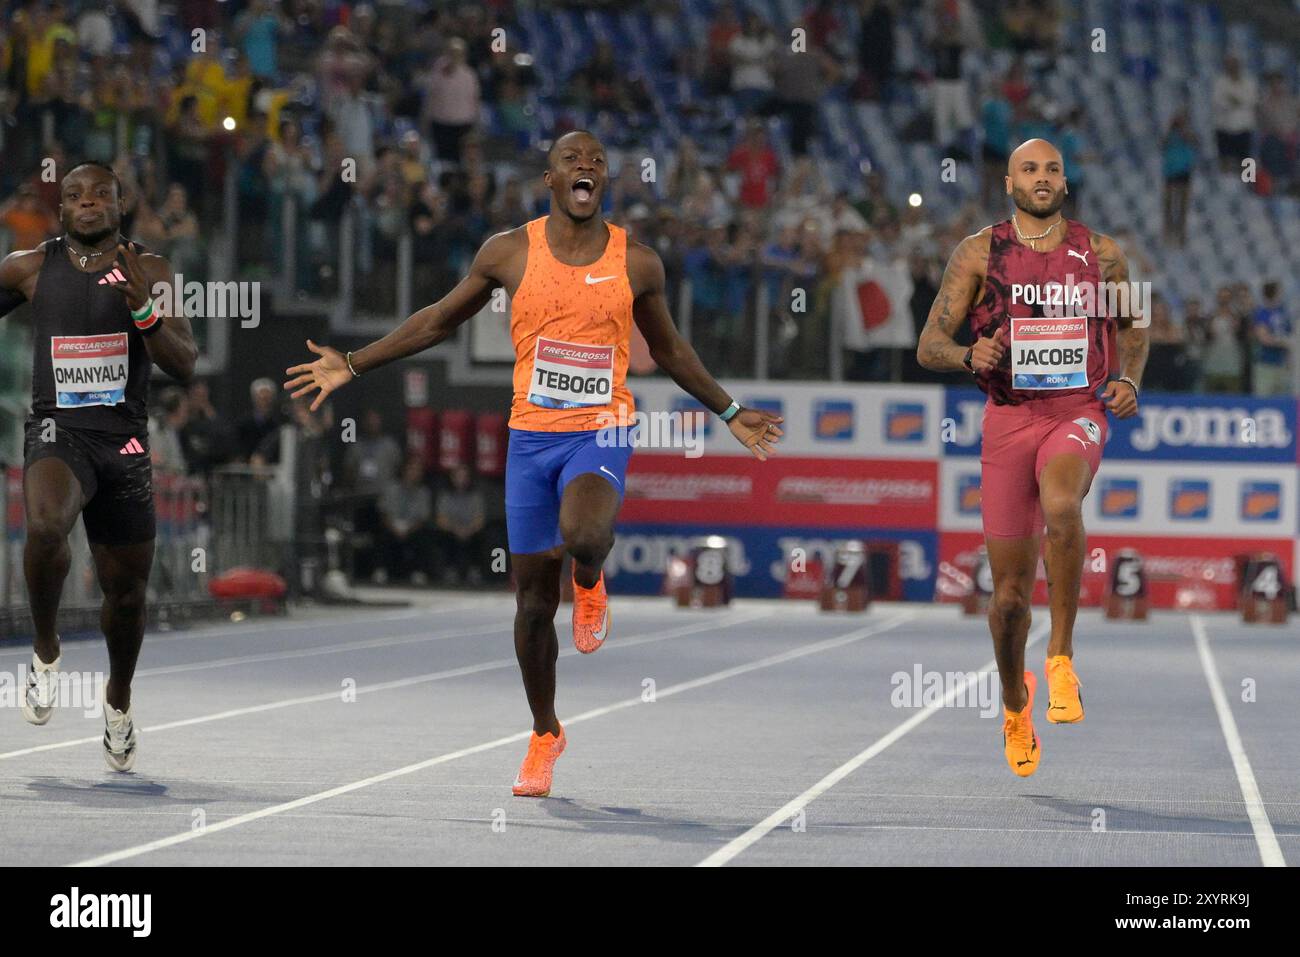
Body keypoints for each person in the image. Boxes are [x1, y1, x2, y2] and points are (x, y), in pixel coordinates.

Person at [285, 130, 783, 798]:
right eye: (572, 160)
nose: (587, 166)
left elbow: (668, 350)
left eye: (598, 161)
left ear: (606, 182)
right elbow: (437, 320)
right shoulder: (508, 251)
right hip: (530, 438)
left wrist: (728, 410)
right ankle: (546, 732)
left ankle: (590, 576)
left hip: (600, 428)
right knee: (528, 609)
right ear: (549, 178)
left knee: (584, 534)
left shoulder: (637, 262)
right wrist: (352, 362)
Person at [916, 139, 1148, 777]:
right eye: (1028, 169)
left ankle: (1062, 659)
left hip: (1076, 412)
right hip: (1008, 420)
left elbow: (1135, 325)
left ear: (1065, 183)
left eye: (1051, 169)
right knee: (1010, 600)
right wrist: (969, 355)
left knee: (1063, 503)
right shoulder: (977, 252)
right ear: (1009, 183)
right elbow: (929, 342)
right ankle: (1016, 703)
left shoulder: (1103, 253)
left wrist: (1129, 380)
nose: (1041, 178)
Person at [0, 161, 198, 770]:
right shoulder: (29, 267)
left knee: (127, 596)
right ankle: (44, 649)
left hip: (125, 445)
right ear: (60, 209)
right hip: (58, 432)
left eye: (101, 196)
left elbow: (184, 361)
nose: (88, 203)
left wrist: (144, 311)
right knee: (44, 529)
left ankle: (117, 700)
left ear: (120, 206)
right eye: (75, 195)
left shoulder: (153, 270)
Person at [433, 463, 486, 584]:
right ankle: (449, 570)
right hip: (452, 530)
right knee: (444, 536)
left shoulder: (475, 496)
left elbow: (480, 520)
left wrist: (468, 530)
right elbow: (441, 520)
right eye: (458, 476)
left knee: (480, 536)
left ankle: (475, 569)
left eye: (464, 476)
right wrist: (456, 529)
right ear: (452, 478)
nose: (461, 479)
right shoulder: (445, 495)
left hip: (471, 531)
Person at [1252, 280, 1292, 397]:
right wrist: (1284, 343)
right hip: (1266, 364)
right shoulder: (1262, 312)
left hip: (1282, 363)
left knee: (1283, 398)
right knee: (1264, 397)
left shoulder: (1283, 312)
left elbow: (1289, 334)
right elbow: (1263, 338)